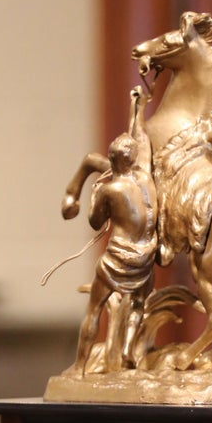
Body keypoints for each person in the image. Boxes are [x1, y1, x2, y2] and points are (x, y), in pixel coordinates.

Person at [74, 87, 157, 374]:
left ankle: (80, 367)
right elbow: (141, 138)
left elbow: (95, 222)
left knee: (94, 309)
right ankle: (126, 350)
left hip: (118, 260)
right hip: (144, 258)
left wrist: (96, 194)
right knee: (137, 303)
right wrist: (138, 108)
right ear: (133, 159)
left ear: (111, 160)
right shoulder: (146, 177)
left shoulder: (109, 189)